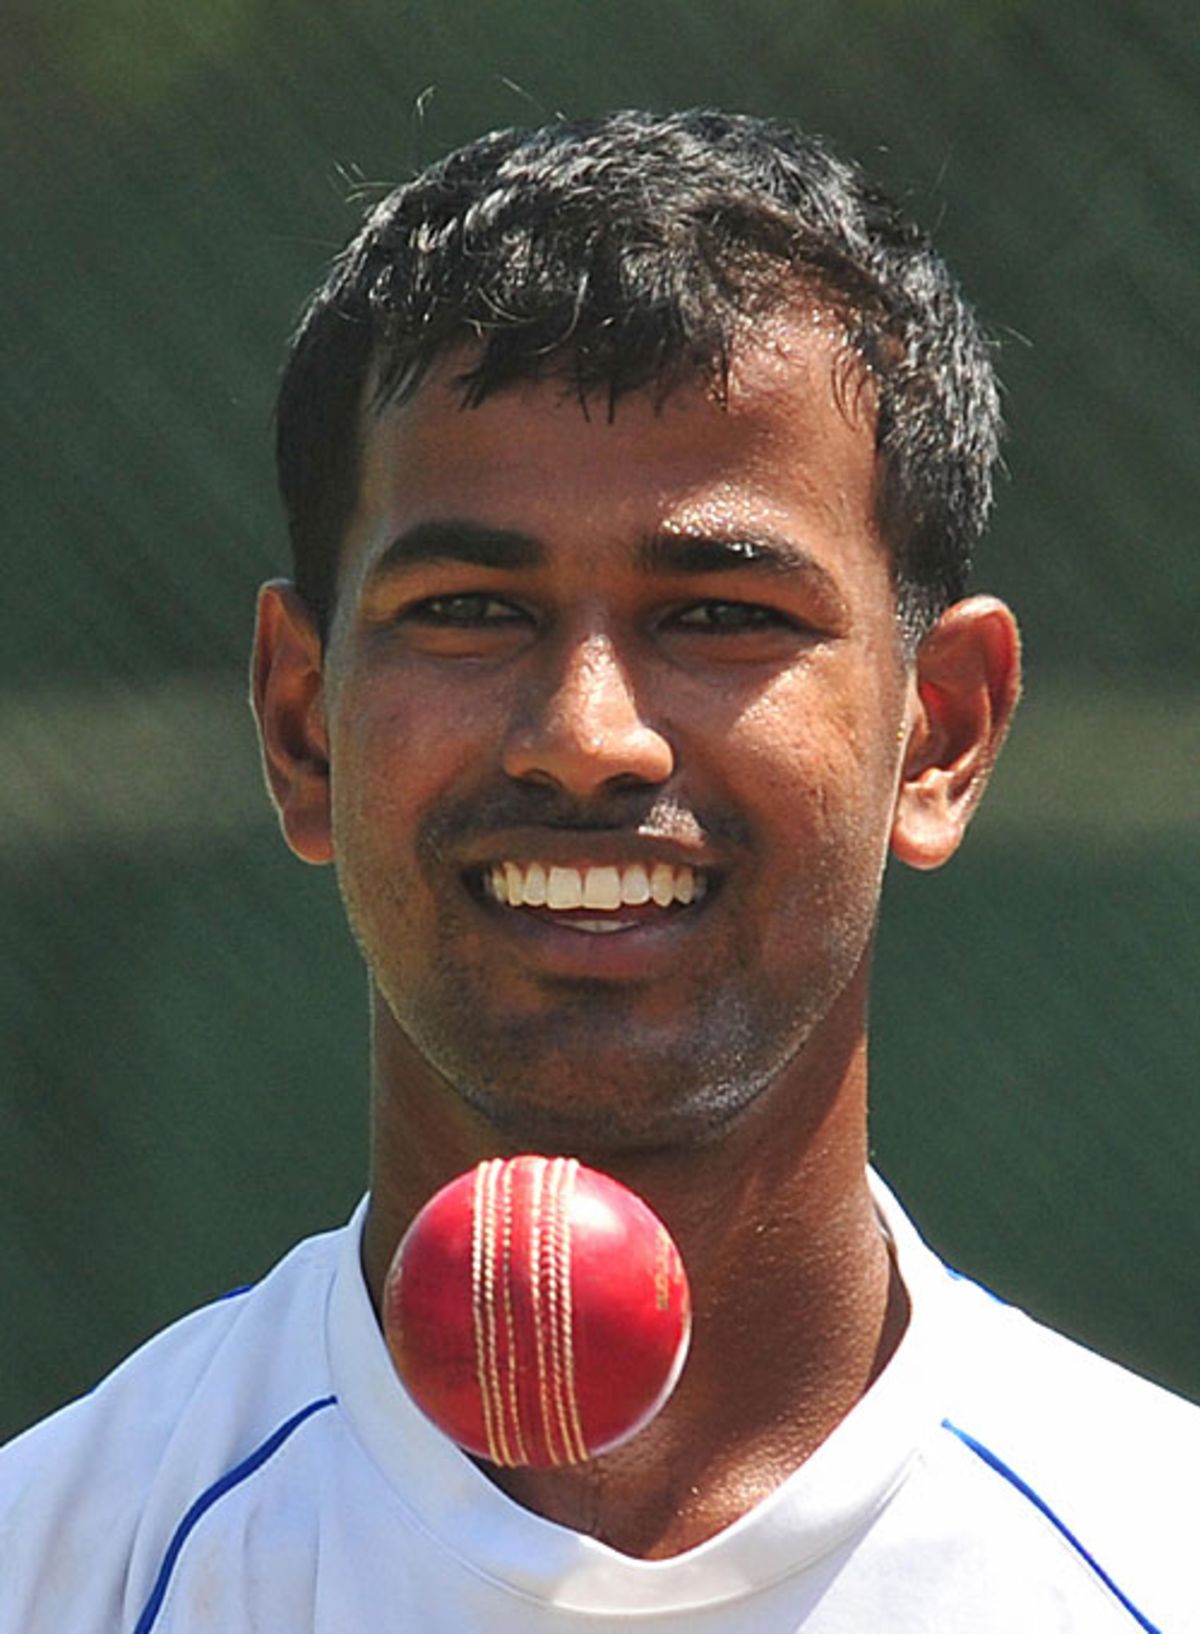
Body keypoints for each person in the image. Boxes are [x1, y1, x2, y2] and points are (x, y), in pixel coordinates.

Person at [2, 108, 1196, 1633]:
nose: (588, 737)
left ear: (939, 731)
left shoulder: (1155, 1561)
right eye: (469, 609)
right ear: (302, 723)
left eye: (721, 616)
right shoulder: (60, 1569)